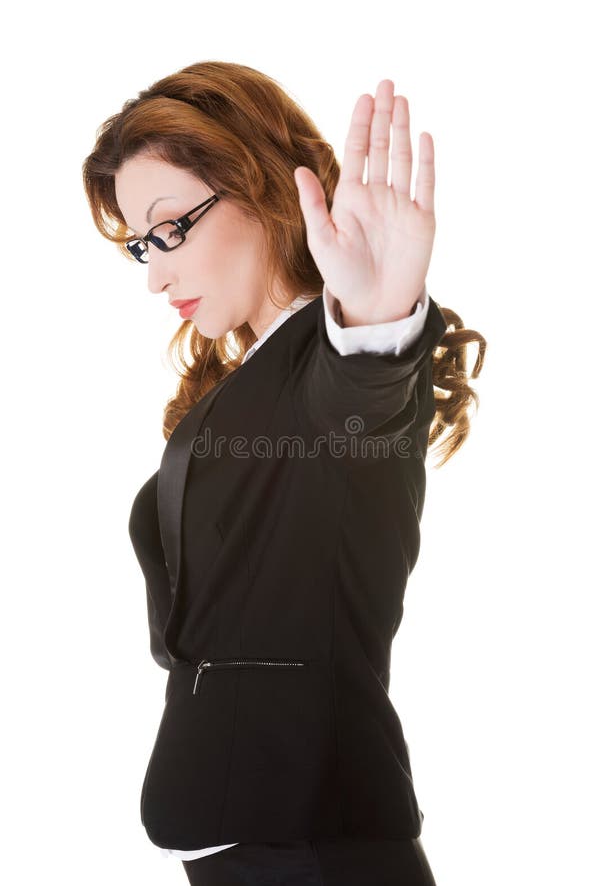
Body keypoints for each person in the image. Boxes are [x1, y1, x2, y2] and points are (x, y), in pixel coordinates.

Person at [82, 60, 486, 886]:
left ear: (260, 186)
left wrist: (377, 320)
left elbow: (359, 398)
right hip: (248, 834)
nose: (156, 272)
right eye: (140, 246)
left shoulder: (327, 355)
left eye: (172, 229)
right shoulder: (248, 378)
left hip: (311, 844)